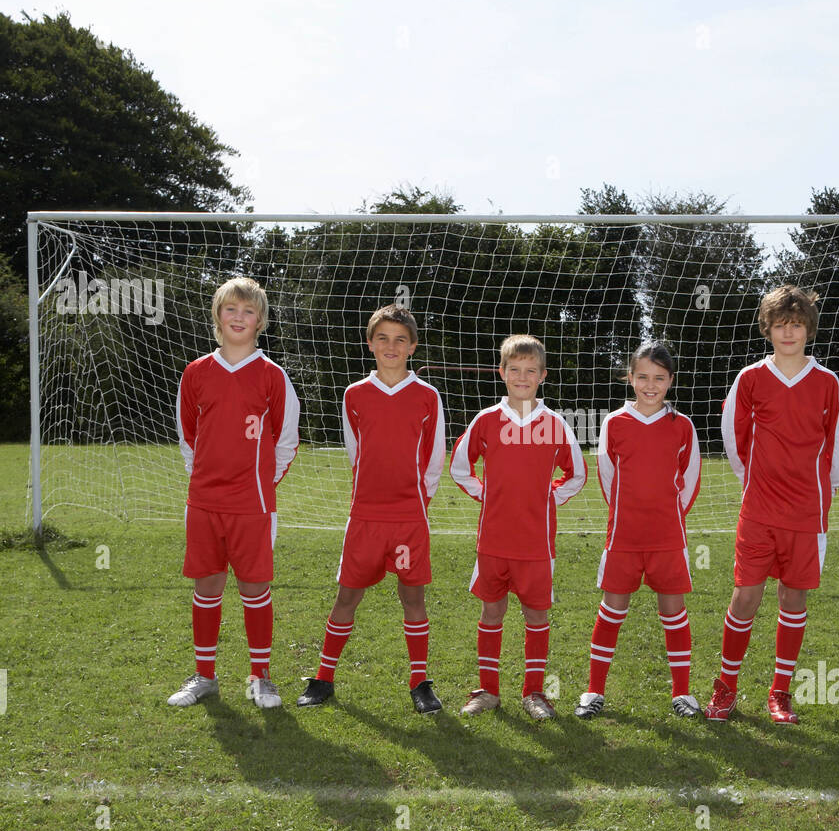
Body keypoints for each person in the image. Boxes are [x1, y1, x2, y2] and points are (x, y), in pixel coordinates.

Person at [705, 285, 839, 723]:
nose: (789, 332)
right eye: (781, 324)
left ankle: (780, 692)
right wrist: (753, 478)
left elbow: (835, 440)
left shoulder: (826, 382)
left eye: (798, 324)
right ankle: (726, 687)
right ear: (768, 328)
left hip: (807, 511)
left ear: (809, 329)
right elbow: (734, 437)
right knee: (746, 595)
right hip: (760, 509)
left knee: (793, 597)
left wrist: (831, 485)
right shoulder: (750, 378)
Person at [297, 305, 446, 714]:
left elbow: (434, 460)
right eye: (383, 338)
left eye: (400, 339)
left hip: (409, 518)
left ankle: (420, 682)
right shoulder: (354, 394)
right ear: (370, 344)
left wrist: (418, 504)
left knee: (412, 597)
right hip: (365, 515)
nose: (391, 346)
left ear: (412, 347)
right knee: (347, 595)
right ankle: (323, 677)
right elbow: (355, 452)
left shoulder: (428, 396)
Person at [168, 277, 300, 709]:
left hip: (253, 505)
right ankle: (204, 676)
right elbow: (188, 436)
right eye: (230, 309)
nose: (238, 317)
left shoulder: (272, 376)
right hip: (204, 502)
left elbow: (286, 440)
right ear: (218, 317)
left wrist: (260, 483)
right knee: (207, 587)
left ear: (260, 320)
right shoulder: (195, 372)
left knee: (254, 589)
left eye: (247, 311)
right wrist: (203, 478)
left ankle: (260, 678)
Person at [450, 334, 586, 720]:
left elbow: (576, 475)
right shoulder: (487, 420)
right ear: (502, 372)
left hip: (536, 545)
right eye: (514, 369)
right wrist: (487, 495)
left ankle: (534, 692)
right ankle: (488, 691)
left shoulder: (555, 424)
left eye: (530, 371)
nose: (522, 376)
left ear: (542, 375)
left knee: (536, 615)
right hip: (493, 540)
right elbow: (461, 467)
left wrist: (546, 500)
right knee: (492, 611)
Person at [574, 341, 702, 719]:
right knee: (612, 610)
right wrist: (628, 515)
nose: (650, 385)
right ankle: (594, 691)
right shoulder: (614, 422)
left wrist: (669, 516)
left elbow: (690, 480)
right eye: (642, 376)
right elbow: (607, 476)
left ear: (670, 381)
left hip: (667, 536)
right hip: (624, 536)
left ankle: (682, 693)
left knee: (674, 613)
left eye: (659, 378)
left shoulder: (682, 425)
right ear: (630, 378)